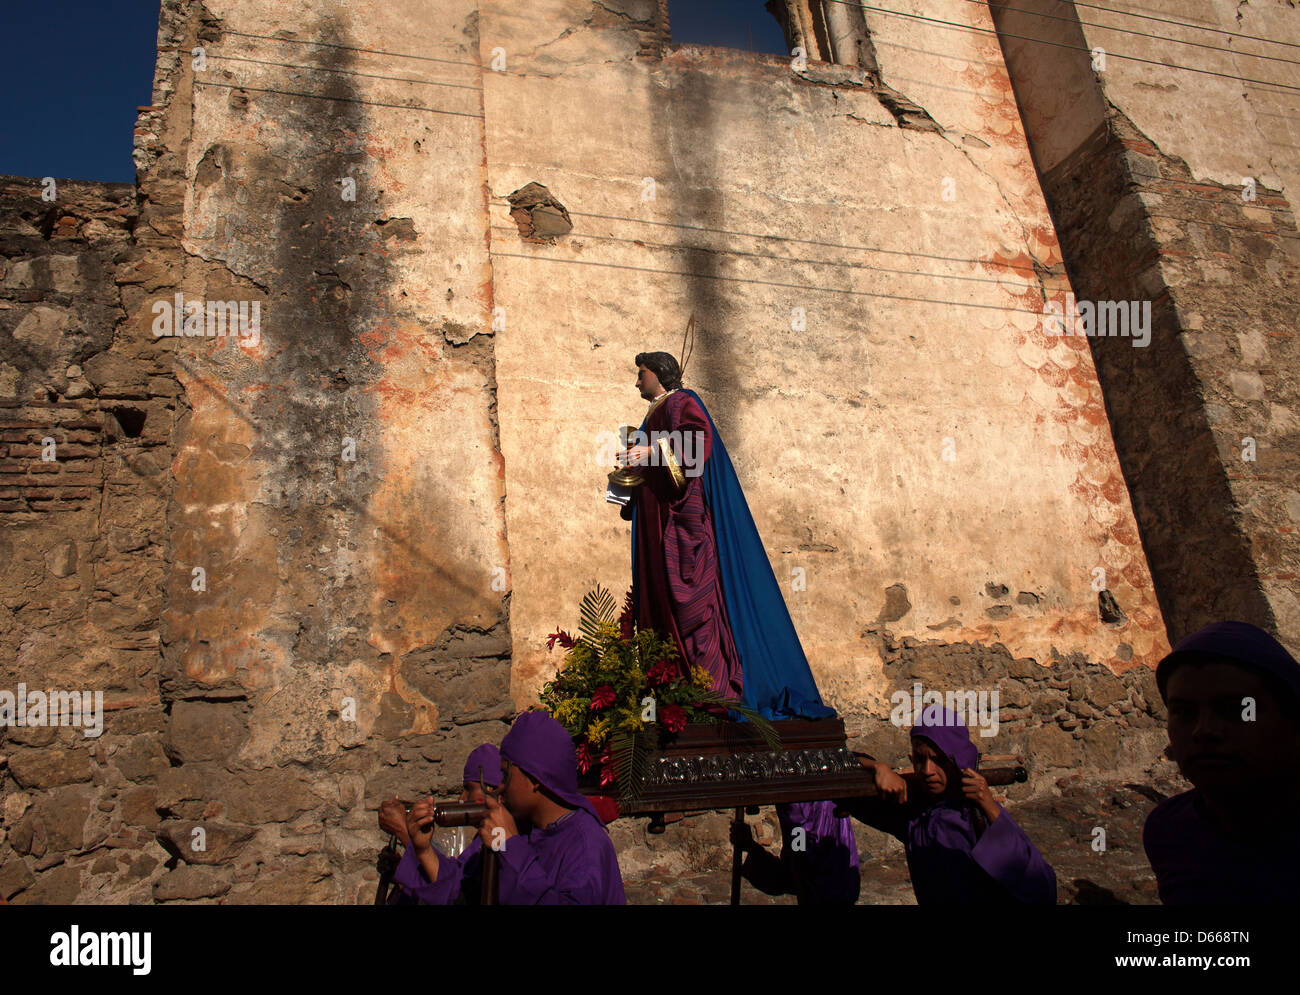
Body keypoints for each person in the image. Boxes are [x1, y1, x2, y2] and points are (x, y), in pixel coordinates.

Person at [616, 351, 830, 720]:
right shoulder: (653, 412)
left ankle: (710, 689)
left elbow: (698, 445)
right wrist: (628, 475)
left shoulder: (683, 401)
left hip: (681, 526)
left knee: (692, 604)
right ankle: (673, 692)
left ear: (660, 374)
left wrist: (650, 451)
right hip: (659, 524)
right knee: (661, 604)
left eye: (642, 373)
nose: (637, 381)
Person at [1142, 620, 1300, 903]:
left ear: (1291, 721)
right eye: (1184, 712)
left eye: (1237, 710)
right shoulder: (1169, 834)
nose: (1204, 730)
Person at [398, 712, 625, 905]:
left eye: (507, 775)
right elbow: (466, 891)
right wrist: (424, 850)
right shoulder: (520, 829)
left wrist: (509, 846)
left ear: (535, 779)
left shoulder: (586, 844)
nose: (501, 787)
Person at [841, 706, 1056, 904]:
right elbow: (837, 766)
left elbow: (1041, 889)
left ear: (957, 760)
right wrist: (878, 767)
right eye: (919, 759)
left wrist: (989, 807)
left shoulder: (977, 815)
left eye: (938, 760)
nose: (927, 771)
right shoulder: (914, 812)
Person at [381, 743, 501, 905]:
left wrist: (405, 833)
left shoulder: (501, 841)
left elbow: (456, 895)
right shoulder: (480, 843)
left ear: (492, 790)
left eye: (469, 788)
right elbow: (448, 883)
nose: (462, 798)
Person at [730, 799, 861, 905]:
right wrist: (750, 846)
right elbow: (795, 869)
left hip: (834, 886)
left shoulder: (799, 815)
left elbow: (796, 871)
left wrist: (750, 846)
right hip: (834, 884)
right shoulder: (796, 816)